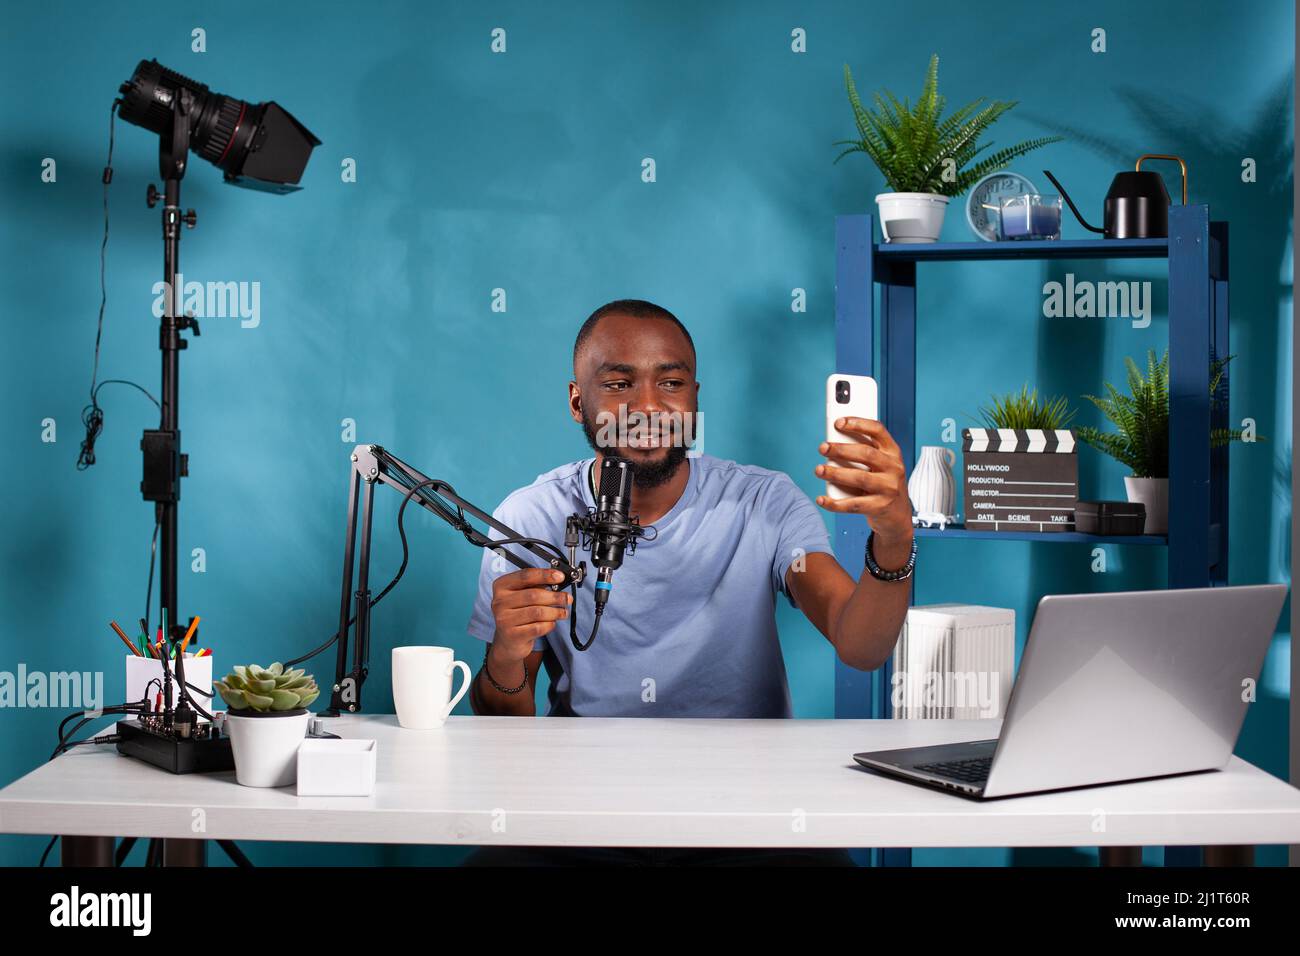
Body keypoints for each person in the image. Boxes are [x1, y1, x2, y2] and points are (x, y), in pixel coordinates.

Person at [460, 299, 915, 866]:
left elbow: (862, 645)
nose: (647, 407)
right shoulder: (529, 519)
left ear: (695, 398)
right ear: (579, 401)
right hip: (583, 815)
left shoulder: (764, 503)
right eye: (619, 384)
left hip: (750, 818)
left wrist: (894, 538)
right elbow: (503, 724)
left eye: (671, 383)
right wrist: (506, 654)